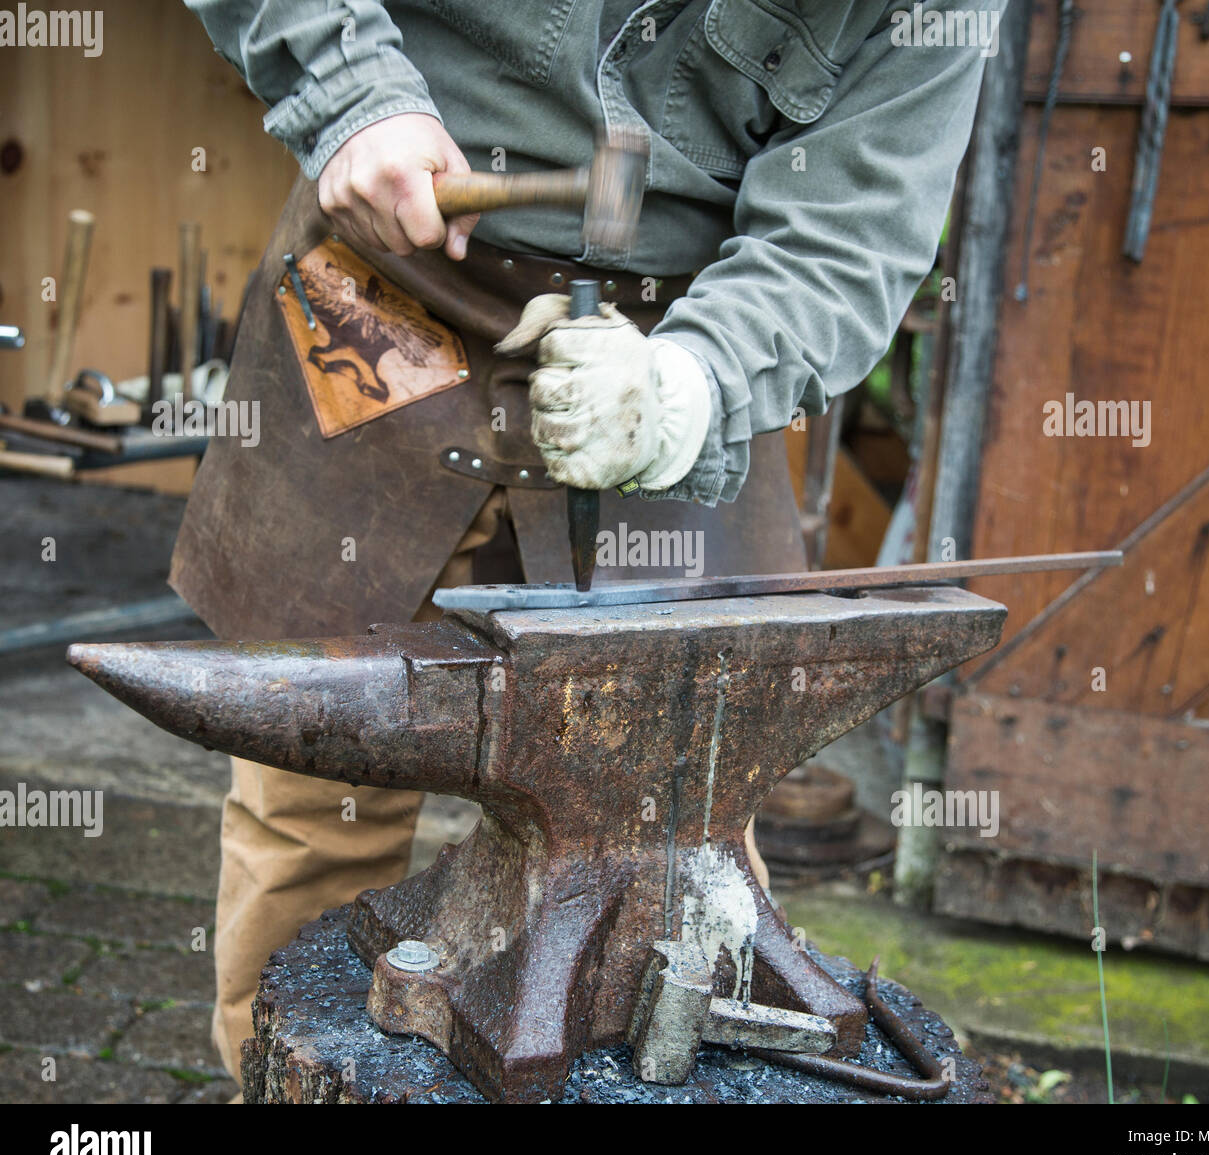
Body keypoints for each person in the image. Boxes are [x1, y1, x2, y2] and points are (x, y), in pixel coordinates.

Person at [176, 0, 1005, 1082]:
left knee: (678, 846)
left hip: (676, 345)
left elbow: (848, 236)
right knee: (312, 796)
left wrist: (686, 395)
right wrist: (351, 92)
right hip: (381, 305)